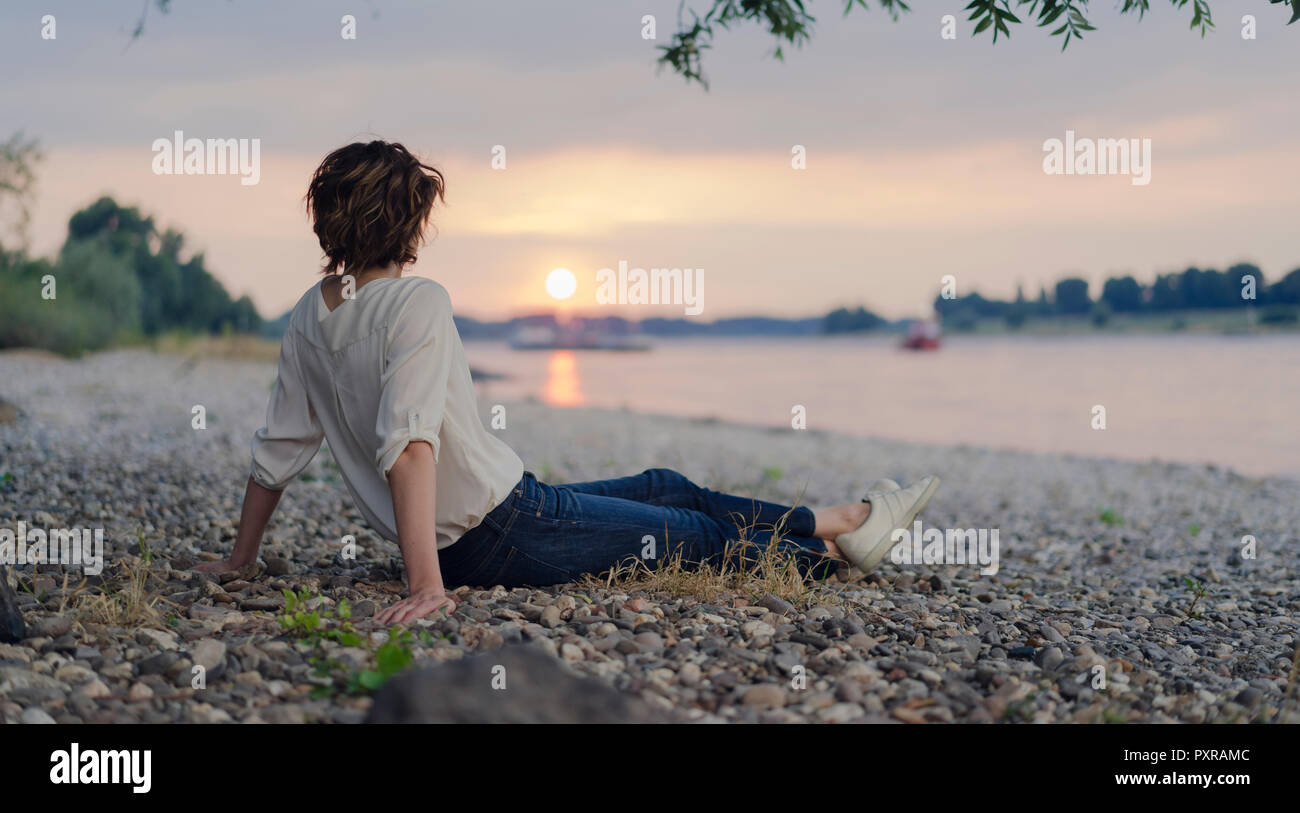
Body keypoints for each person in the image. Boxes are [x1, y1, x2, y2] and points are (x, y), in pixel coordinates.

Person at [196, 141, 940, 624]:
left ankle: (841, 519)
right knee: (698, 538)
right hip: (496, 534)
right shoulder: (417, 302)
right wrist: (426, 584)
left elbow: (279, 450)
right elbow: (409, 446)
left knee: (665, 482)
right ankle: (837, 553)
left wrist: (240, 559)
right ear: (408, 224)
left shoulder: (307, 314)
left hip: (507, 511)